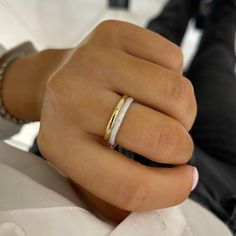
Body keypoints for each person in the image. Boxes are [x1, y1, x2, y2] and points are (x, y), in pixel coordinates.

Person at [0, 0, 234, 235]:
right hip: (227, 196)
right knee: (219, 54)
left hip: (85, 149)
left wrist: (37, 83)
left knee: (160, 38)